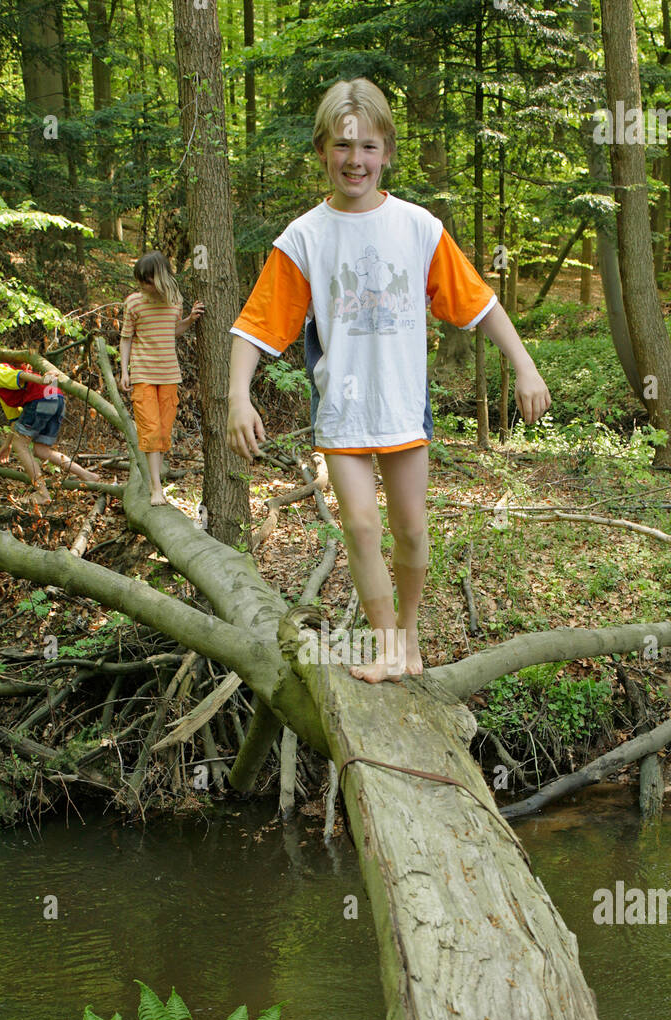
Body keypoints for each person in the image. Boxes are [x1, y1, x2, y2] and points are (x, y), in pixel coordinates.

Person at [226, 78, 551, 684]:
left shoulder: (418, 228)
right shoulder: (304, 238)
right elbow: (255, 325)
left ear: (387, 152)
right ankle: (385, 647)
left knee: (410, 528)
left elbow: (477, 304)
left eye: (369, 146)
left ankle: (408, 638)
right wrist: (237, 396)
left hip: (403, 404)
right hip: (343, 409)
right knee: (360, 525)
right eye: (344, 146)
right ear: (323, 150)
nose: (356, 160)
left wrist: (525, 365)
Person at [0, 349, 100, 504]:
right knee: (41, 450)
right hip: (54, 397)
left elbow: (20, 376)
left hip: (41, 397)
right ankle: (87, 476)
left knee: (21, 444)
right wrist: (7, 444)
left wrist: (44, 380)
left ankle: (43, 494)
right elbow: (15, 419)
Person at [119, 250, 204, 506]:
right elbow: (126, 337)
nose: (143, 286)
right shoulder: (133, 302)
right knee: (151, 431)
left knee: (164, 433)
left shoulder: (174, 301)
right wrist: (125, 370)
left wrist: (189, 320)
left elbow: (173, 330)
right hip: (143, 374)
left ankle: (157, 481)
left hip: (169, 375)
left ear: (161, 277)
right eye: (141, 281)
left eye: (148, 280)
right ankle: (156, 488)